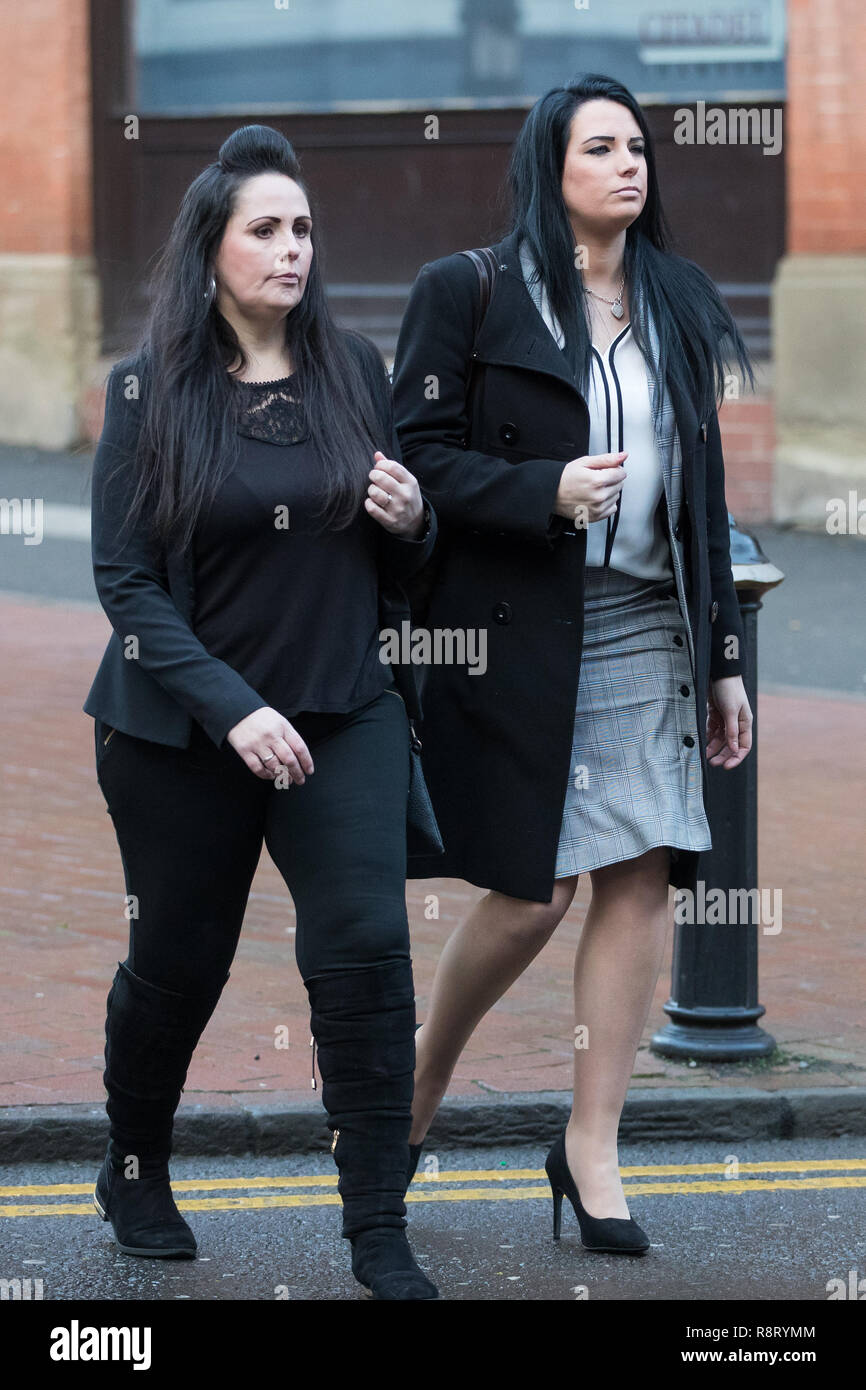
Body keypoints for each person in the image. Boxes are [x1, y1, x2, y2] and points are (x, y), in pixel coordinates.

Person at [391, 74, 754, 1254]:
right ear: (549, 169)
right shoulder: (470, 291)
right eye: (599, 147)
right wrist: (538, 492)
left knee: (639, 877)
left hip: (648, 620)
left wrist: (724, 659)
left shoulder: (677, 299)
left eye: (637, 147)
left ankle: (591, 1143)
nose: (628, 164)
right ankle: (418, 1082)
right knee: (532, 891)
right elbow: (416, 461)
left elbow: (702, 497)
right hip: (517, 626)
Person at [84, 124, 440, 1300]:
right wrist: (234, 711)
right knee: (178, 966)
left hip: (342, 713)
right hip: (184, 734)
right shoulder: (149, 392)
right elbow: (126, 583)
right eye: (265, 230)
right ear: (212, 249)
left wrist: (412, 522)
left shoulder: (355, 371)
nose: (291, 249)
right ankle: (134, 1164)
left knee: (365, 953)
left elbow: (404, 572)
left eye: (302, 230)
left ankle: (378, 1231)